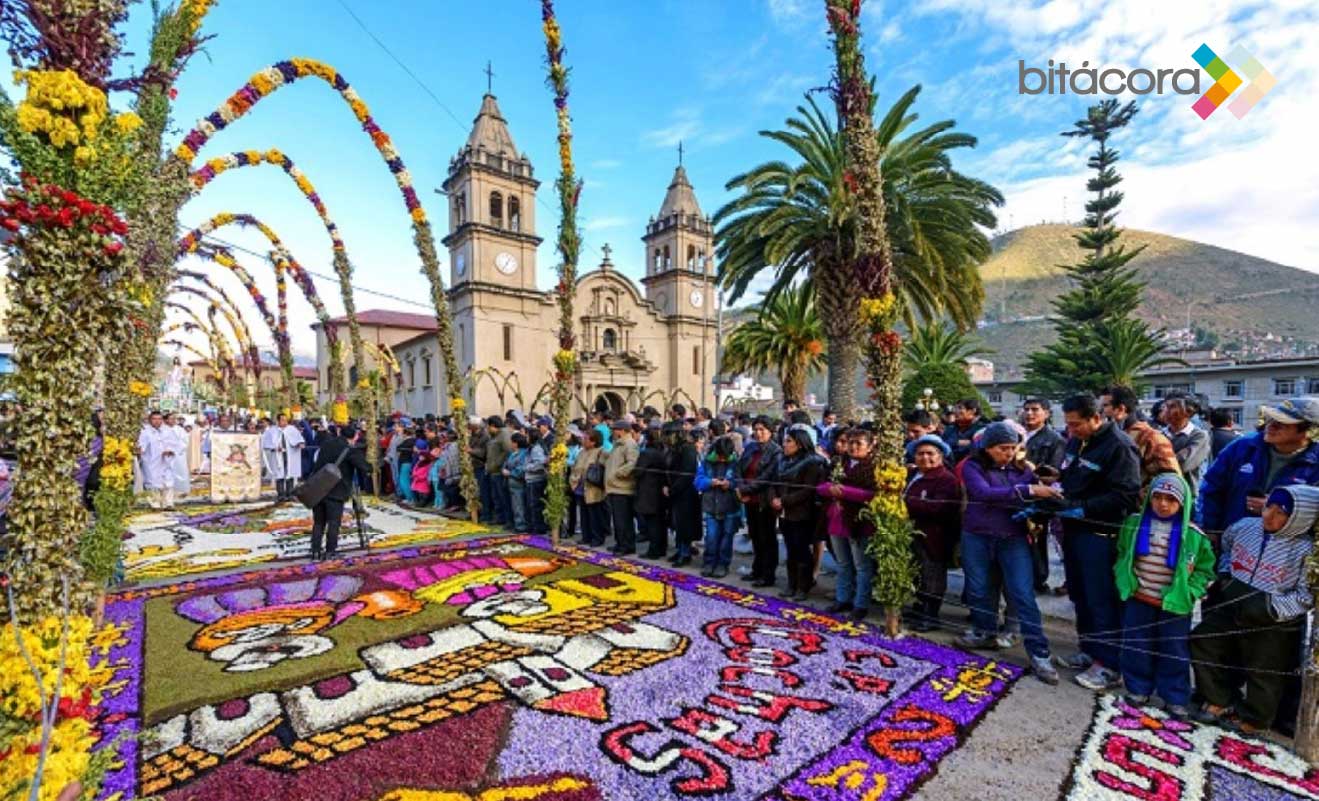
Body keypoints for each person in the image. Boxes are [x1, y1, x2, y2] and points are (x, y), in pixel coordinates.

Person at [1192, 484, 1319, 732]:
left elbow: (1305, 595)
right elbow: (1228, 545)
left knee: (1264, 669)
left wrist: (1273, 608)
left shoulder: (1305, 550)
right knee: (1204, 640)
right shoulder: (1245, 527)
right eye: (1269, 505)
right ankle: (1219, 699)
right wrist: (1227, 575)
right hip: (1233, 600)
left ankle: (1255, 719)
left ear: (1300, 518)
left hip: (1272, 617)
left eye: (1281, 512)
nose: (1270, 514)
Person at [955, 422, 1061, 684]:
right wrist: (1027, 490)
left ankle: (1039, 653)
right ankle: (984, 632)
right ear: (987, 447)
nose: (1009, 453)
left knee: (1022, 594)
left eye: (1014, 448)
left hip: (1013, 538)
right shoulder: (972, 466)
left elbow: (1035, 493)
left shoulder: (1023, 469)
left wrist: (1042, 483)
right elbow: (984, 493)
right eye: (1003, 448)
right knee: (979, 588)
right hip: (977, 536)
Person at [1053, 393, 1142, 691]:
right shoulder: (1077, 441)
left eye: (1077, 424)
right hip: (1074, 531)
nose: (1071, 430)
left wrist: (1085, 507)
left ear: (1096, 418)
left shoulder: (1119, 446)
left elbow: (1126, 494)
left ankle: (1109, 665)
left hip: (1101, 535)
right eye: (1068, 425)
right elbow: (1072, 475)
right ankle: (1089, 650)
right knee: (1080, 594)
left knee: (1101, 599)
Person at [1113, 473, 1214, 718]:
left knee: (1173, 650)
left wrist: (1192, 592)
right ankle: (1138, 689)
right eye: (1157, 497)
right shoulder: (1134, 523)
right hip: (1140, 597)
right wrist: (1125, 580)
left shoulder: (1194, 535)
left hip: (1175, 604)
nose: (1163, 504)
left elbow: (1205, 569)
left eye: (1171, 499)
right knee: (1136, 645)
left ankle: (1174, 696)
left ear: (1183, 503)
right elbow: (1123, 553)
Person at [1199, 397, 1319, 540]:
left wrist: (1281, 508)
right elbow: (1211, 488)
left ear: (1308, 431)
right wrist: (1211, 531)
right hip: (1232, 542)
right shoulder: (1243, 446)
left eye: (1282, 423)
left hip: (1284, 552)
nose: (1271, 426)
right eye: (1271, 419)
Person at [904, 435, 962, 631]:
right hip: (913, 534)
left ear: (940, 456)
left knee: (932, 576)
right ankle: (919, 609)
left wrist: (905, 504)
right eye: (920, 453)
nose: (925, 458)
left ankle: (931, 616)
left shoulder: (946, 479)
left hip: (934, 536)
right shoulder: (913, 474)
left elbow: (940, 509)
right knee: (917, 574)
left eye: (930, 453)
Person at [819, 429, 878, 620]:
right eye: (850, 442)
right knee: (843, 563)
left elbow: (873, 495)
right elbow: (821, 486)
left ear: (870, 447)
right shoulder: (839, 463)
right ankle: (842, 598)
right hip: (838, 519)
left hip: (860, 522)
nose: (853, 447)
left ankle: (860, 604)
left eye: (858, 443)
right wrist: (831, 489)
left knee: (862, 566)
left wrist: (845, 492)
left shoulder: (874, 467)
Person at [771, 427, 825, 601]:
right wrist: (774, 498)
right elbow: (773, 482)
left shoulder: (812, 463)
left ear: (800, 444)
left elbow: (807, 491)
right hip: (784, 512)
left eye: (789, 441)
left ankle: (804, 586)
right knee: (790, 549)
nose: (784, 445)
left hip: (801, 513)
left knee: (801, 550)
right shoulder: (782, 461)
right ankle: (791, 584)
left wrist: (784, 500)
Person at [307, 423, 371, 560]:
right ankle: (330, 551)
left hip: (318, 487)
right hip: (337, 490)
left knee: (319, 522)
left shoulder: (327, 444)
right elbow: (365, 467)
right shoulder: (350, 450)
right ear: (354, 437)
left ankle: (315, 550)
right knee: (333, 521)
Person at [1100, 385, 1180, 488]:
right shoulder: (1106, 436)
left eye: (1105, 406)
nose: (1101, 412)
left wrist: (1141, 496)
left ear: (1121, 409)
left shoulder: (1151, 438)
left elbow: (1171, 481)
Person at [738, 416, 781, 587]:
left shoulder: (776, 451)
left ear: (770, 431)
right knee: (755, 535)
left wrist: (745, 490)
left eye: (762, 429)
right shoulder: (750, 448)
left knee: (767, 537)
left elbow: (767, 477)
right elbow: (740, 469)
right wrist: (741, 488)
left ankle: (768, 574)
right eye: (755, 429)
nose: (758, 433)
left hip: (764, 499)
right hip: (748, 499)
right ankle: (757, 569)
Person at [696, 433, 742, 578]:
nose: (722, 459)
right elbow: (698, 481)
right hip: (710, 506)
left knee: (727, 537)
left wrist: (730, 484)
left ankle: (723, 564)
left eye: (725, 457)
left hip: (730, 507)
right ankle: (709, 562)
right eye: (720, 456)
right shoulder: (707, 462)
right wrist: (711, 482)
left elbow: (741, 482)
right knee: (711, 537)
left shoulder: (736, 462)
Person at [665, 422, 701, 566]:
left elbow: (687, 474)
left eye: (668, 435)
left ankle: (685, 553)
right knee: (676, 523)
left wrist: (673, 489)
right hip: (675, 492)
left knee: (684, 525)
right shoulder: (674, 449)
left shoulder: (688, 449)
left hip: (686, 493)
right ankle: (679, 549)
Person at [1162, 394, 1211, 492]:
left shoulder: (1199, 436)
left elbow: (1184, 464)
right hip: (1161, 491)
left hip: (1187, 493)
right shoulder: (1160, 433)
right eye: (1165, 406)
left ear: (1188, 412)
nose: (1165, 411)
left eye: (1172, 407)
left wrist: (1160, 461)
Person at [604, 419, 639, 554]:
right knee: (619, 519)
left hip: (623, 487)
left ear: (622, 431)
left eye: (615, 429)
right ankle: (620, 543)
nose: (613, 432)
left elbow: (632, 463)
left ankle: (626, 546)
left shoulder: (629, 444)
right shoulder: (618, 444)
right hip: (615, 486)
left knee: (623, 520)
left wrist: (618, 473)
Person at [636, 422, 670, 559]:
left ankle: (654, 550)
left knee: (653, 522)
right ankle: (662, 548)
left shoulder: (647, 453)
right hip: (660, 490)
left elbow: (638, 471)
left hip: (648, 491)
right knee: (660, 521)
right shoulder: (663, 452)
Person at [137, 410, 183, 509]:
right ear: (150, 420)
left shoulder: (167, 430)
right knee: (152, 482)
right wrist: (140, 451)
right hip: (151, 461)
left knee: (168, 481)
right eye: (154, 419)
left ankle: (168, 503)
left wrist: (170, 451)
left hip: (166, 460)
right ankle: (155, 503)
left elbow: (176, 443)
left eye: (159, 419)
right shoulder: (145, 431)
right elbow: (141, 446)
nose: (157, 421)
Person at [570, 428, 609, 546]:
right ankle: (586, 537)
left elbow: (605, 470)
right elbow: (575, 466)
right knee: (584, 515)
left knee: (595, 515)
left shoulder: (602, 452)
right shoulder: (582, 452)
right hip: (580, 488)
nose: (583, 441)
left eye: (586, 439)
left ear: (594, 441)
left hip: (593, 489)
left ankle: (597, 538)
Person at [262, 413, 305, 500]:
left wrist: (300, 443)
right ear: (278, 421)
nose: (285, 422)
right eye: (282, 420)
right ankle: (281, 494)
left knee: (290, 474)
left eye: (286, 420)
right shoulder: (272, 430)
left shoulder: (292, 429)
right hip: (278, 456)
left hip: (290, 455)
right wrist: (275, 447)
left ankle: (290, 493)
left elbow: (299, 439)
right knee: (279, 475)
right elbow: (266, 443)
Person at [486, 416, 514, 527]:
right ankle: (500, 518)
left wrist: (499, 464)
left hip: (499, 471)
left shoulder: (503, 435)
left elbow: (508, 451)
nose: (487, 429)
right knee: (496, 497)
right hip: (492, 471)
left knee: (503, 498)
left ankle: (508, 520)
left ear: (493, 426)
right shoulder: (494, 436)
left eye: (488, 426)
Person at [941, 398, 989, 463]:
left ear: (972, 411)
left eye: (960, 408)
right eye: (955, 408)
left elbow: (975, 450)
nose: (955, 411)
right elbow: (941, 446)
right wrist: (957, 442)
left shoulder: (984, 429)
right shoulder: (950, 428)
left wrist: (952, 444)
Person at [524, 428, 549, 534]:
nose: (526, 438)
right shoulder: (532, 448)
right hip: (531, 480)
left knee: (535, 505)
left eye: (527, 436)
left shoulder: (537, 449)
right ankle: (533, 526)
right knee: (531, 505)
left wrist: (527, 467)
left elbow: (540, 464)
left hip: (535, 480)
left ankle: (538, 527)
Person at [467, 415, 492, 521]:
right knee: (474, 492)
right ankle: (476, 512)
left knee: (483, 492)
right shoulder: (472, 435)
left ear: (475, 426)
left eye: (469, 425)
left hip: (481, 466)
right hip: (473, 466)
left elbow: (484, 453)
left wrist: (471, 451)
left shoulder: (485, 436)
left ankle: (486, 514)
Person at [504, 432, 529, 531]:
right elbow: (506, 463)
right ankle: (515, 523)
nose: (511, 444)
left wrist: (510, 473)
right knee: (514, 505)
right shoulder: (512, 453)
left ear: (516, 443)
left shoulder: (523, 453)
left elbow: (521, 469)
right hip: (510, 483)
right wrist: (504, 469)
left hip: (518, 483)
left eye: (512, 442)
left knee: (519, 505)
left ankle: (521, 525)